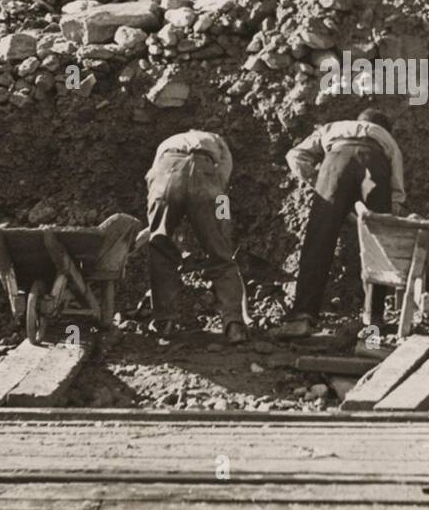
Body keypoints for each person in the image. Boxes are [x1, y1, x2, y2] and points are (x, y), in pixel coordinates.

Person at [279, 108, 406, 338]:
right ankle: (373, 321)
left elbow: (295, 156)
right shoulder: (387, 139)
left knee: (319, 239)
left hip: (335, 161)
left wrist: (320, 185)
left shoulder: (334, 127)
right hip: (374, 164)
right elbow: (397, 186)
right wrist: (389, 214)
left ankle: (302, 318)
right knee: (377, 244)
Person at [144, 130, 249, 344]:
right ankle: (234, 325)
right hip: (205, 175)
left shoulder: (166, 142)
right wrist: (223, 223)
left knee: (160, 247)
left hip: (165, 173)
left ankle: (165, 323)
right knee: (221, 254)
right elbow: (222, 185)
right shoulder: (217, 142)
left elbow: (153, 178)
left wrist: (159, 225)